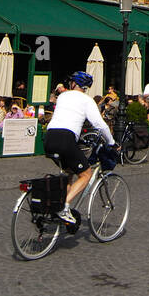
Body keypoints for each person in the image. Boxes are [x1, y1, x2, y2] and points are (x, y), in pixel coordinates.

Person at [43, 72, 117, 226]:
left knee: (69, 172)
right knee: (86, 174)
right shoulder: (87, 100)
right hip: (65, 139)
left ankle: (61, 205)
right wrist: (111, 142)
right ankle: (63, 207)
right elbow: (99, 124)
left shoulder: (62, 96)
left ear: (73, 84)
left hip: (49, 138)